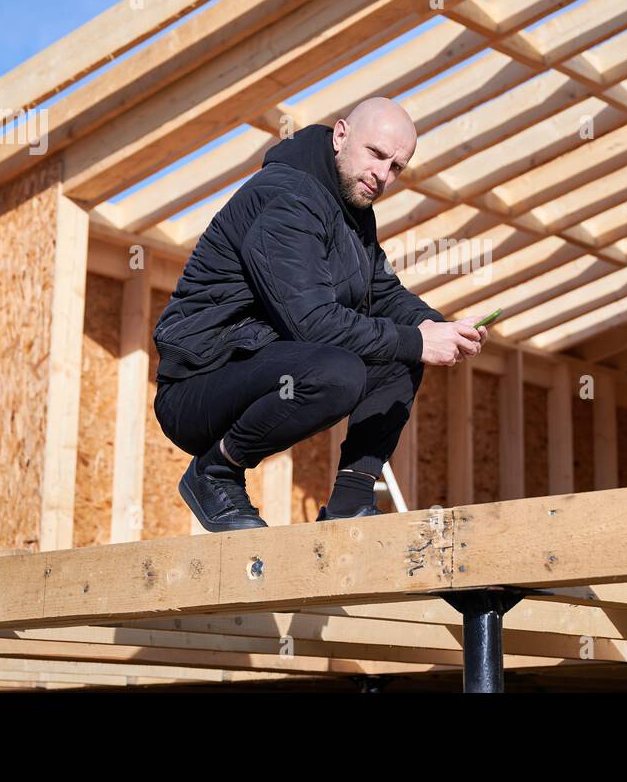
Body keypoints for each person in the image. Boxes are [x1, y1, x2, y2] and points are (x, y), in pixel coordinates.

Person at [152, 97, 487, 531]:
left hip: (263, 363)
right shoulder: (286, 198)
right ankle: (215, 472)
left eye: (396, 167)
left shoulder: (352, 211)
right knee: (341, 371)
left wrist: (440, 328)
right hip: (200, 383)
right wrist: (418, 340)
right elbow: (311, 322)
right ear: (341, 135)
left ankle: (352, 499)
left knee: (402, 352)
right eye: (376, 154)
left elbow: (383, 294)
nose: (382, 174)